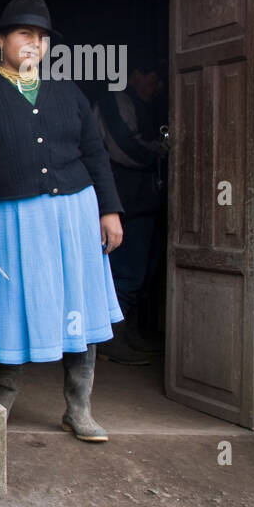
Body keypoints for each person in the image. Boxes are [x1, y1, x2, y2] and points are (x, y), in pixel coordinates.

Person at [0, 0, 124, 442]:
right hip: (13, 216)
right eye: (23, 34)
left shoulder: (67, 92)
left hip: (75, 211)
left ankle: (78, 406)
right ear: (1, 41)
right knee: (16, 302)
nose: (33, 43)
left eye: (41, 37)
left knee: (78, 302)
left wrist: (109, 212)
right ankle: (3, 398)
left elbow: (95, 154)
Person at [94, 63, 168, 364]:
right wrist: (161, 151)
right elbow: (126, 149)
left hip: (143, 202)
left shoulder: (143, 105)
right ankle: (112, 338)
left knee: (143, 270)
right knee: (125, 270)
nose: (157, 89)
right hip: (124, 203)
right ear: (135, 75)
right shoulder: (114, 102)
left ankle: (128, 331)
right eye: (152, 80)